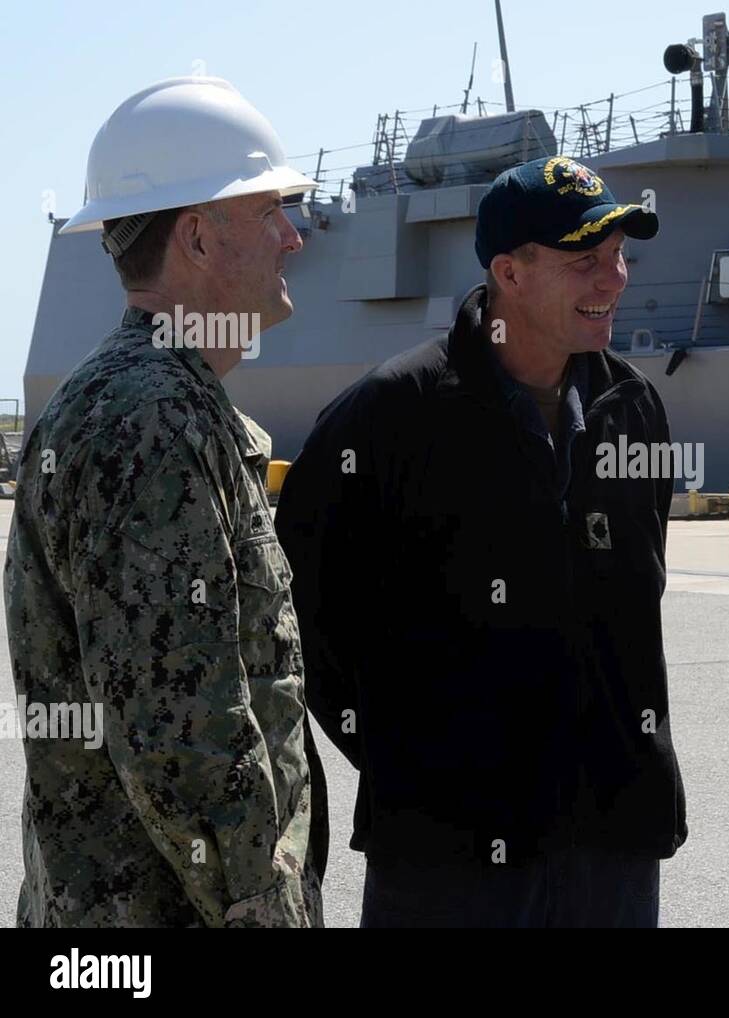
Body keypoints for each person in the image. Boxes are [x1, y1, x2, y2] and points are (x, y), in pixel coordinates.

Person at [275, 155, 687, 928]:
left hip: (613, 841)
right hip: (448, 857)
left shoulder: (634, 409)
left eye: (620, 255)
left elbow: (639, 597)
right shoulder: (394, 413)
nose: (616, 279)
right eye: (586, 260)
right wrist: (414, 758)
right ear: (510, 272)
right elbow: (295, 615)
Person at [5, 77, 328, 927]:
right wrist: (267, 909)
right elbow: (181, 734)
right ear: (195, 236)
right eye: (270, 213)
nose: (295, 238)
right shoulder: (150, 422)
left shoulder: (156, 404)